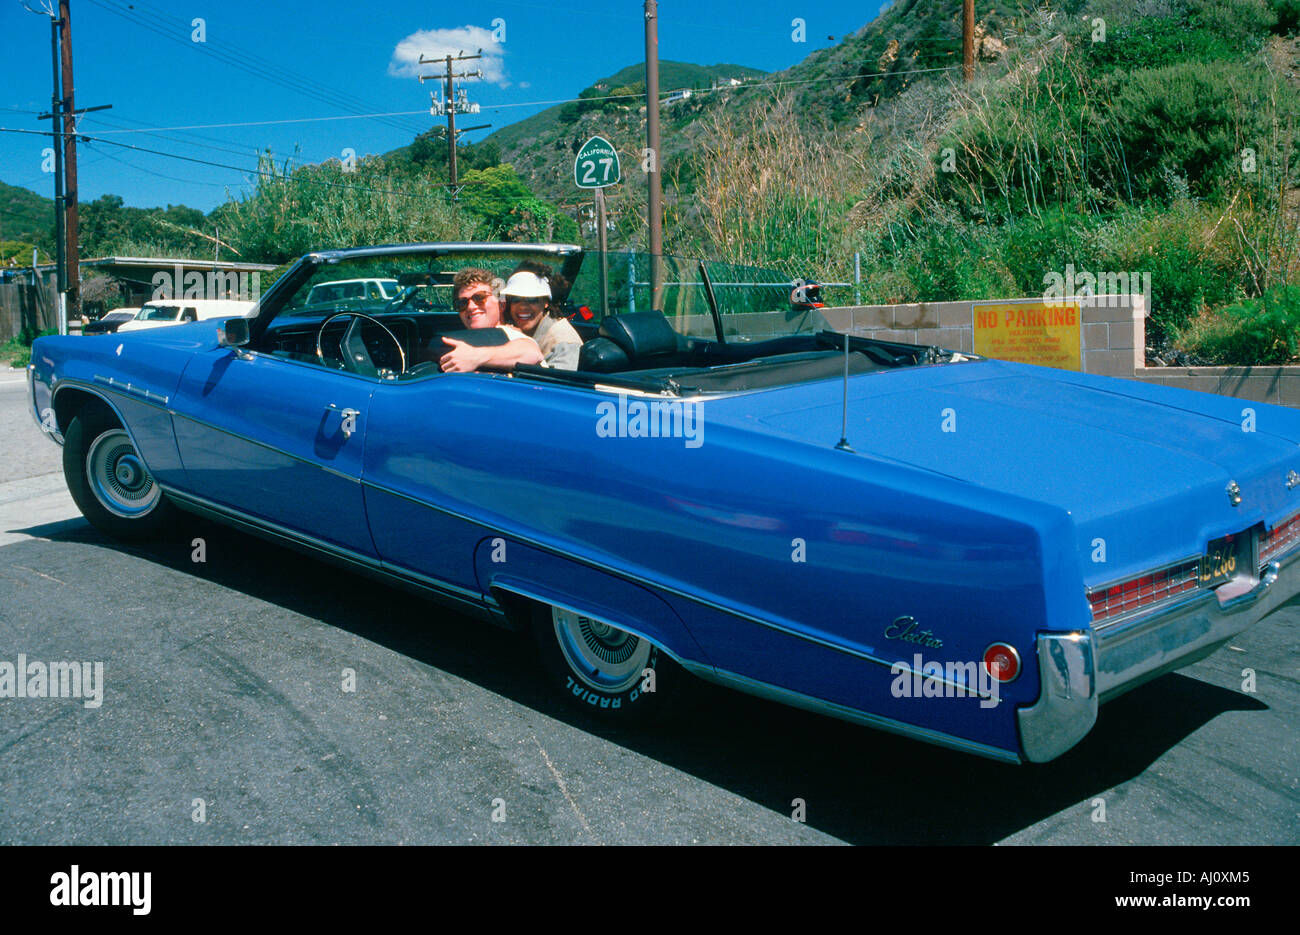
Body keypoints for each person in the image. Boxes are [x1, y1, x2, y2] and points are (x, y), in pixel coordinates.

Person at [439, 267, 544, 372]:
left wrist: (475, 357)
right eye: (462, 303)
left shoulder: (510, 334)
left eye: (479, 298)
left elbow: (532, 353)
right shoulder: (460, 342)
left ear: (501, 304)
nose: (470, 307)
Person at [502, 265, 583, 371]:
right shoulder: (514, 329)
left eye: (532, 299)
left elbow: (555, 384)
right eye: (516, 299)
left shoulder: (564, 342)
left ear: (545, 302)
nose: (522, 307)